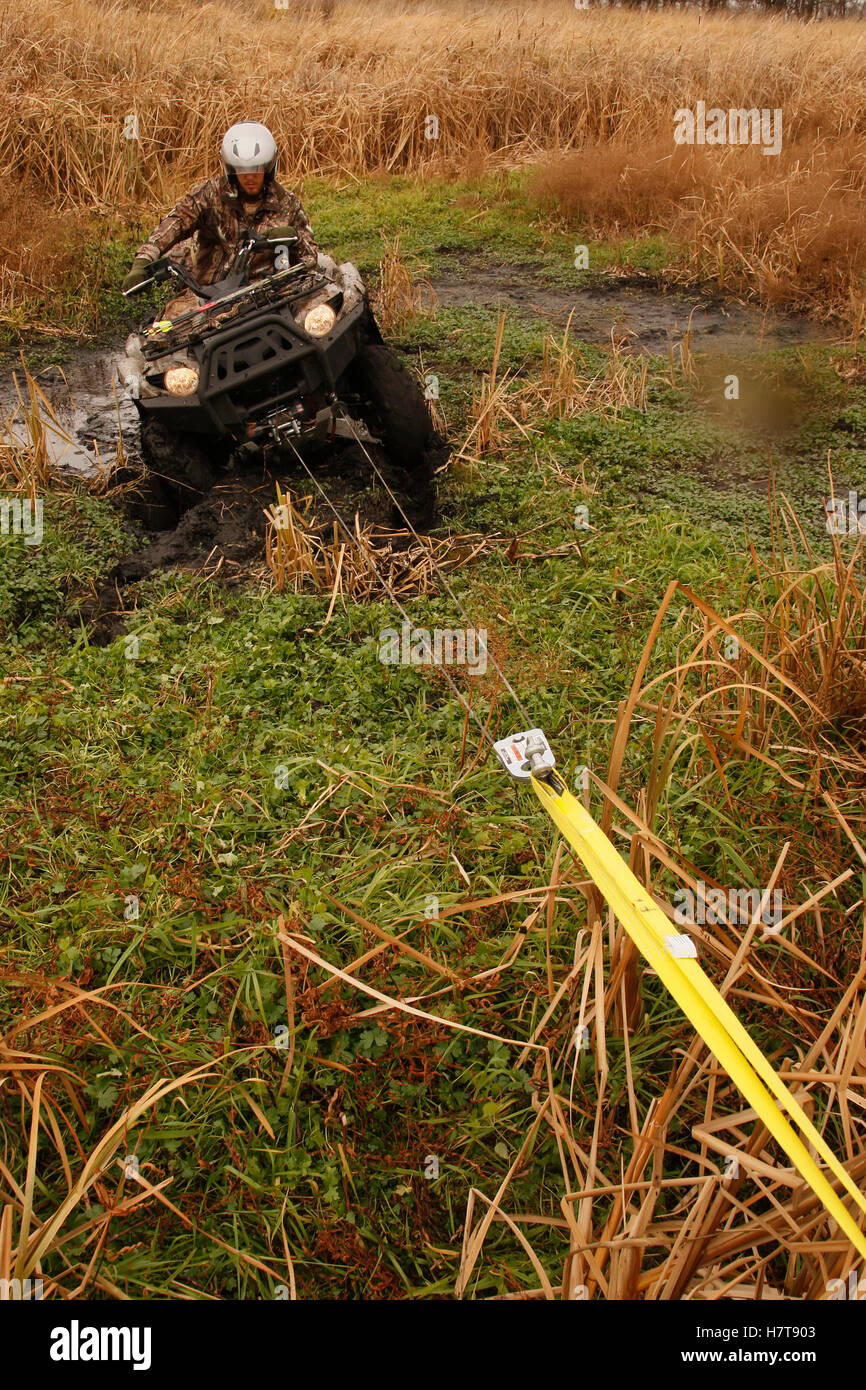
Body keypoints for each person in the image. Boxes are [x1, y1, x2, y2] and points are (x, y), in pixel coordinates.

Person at [121, 122, 318, 314]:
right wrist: (143, 261)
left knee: (316, 319)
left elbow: (310, 258)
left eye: (256, 169)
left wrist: (293, 238)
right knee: (167, 330)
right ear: (231, 169)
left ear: (268, 167)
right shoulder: (209, 194)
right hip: (206, 295)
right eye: (242, 170)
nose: (249, 177)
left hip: (265, 293)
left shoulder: (288, 204)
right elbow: (175, 223)